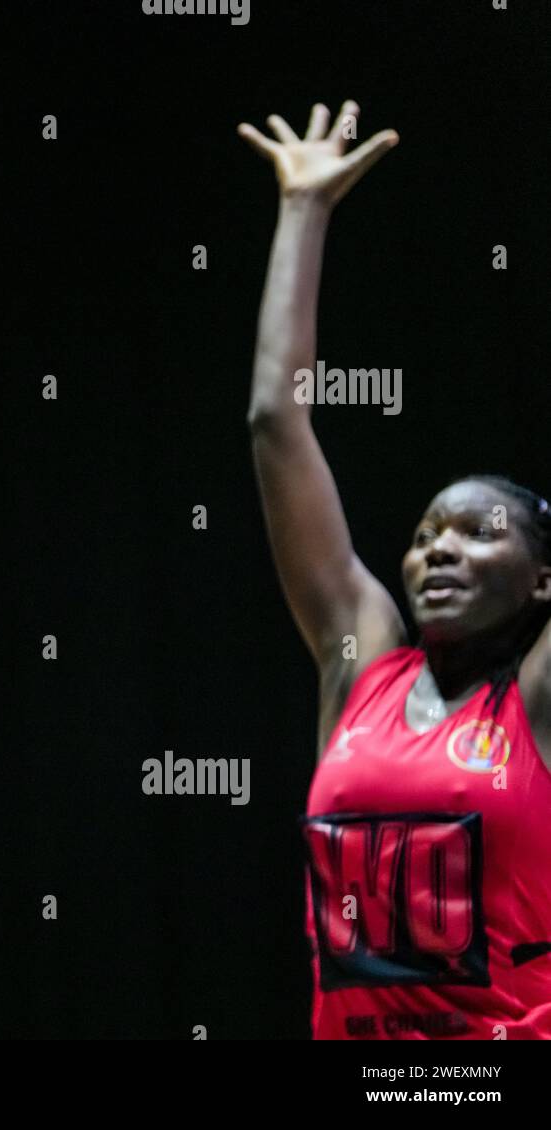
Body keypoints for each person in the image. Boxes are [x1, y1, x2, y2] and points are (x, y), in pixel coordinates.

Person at [241, 102, 551, 1038]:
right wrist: (303, 210)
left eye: (477, 531)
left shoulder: (534, 703)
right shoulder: (359, 664)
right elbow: (276, 423)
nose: (438, 550)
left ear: (543, 581)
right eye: (424, 535)